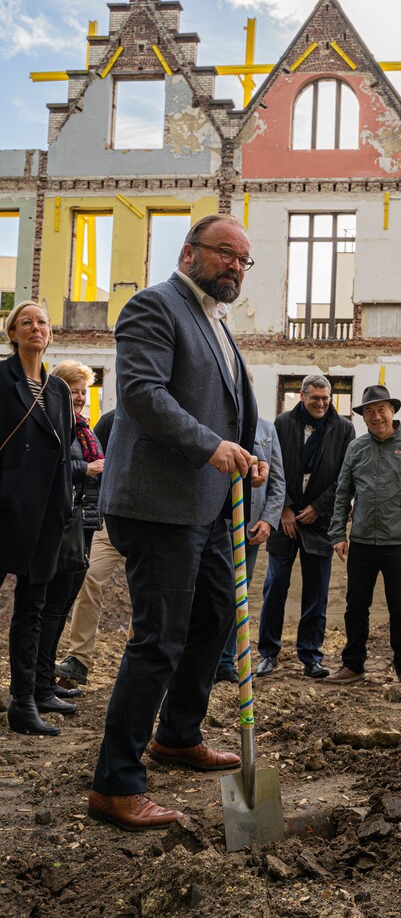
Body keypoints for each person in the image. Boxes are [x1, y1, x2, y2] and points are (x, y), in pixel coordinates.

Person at [88, 213, 260, 832]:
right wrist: (210, 445)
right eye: (225, 254)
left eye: (243, 260)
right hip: (157, 505)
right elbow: (141, 393)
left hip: (208, 505)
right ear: (189, 252)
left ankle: (178, 733)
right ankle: (115, 783)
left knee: (215, 615)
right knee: (159, 640)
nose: (234, 266)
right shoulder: (154, 306)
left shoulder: (216, 323)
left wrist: (243, 453)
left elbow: (229, 409)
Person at [325, 385, 401, 684]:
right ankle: (353, 665)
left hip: (399, 543)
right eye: (370, 411)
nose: (376, 416)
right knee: (355, 607)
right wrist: (338, 532)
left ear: (393, 411)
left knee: (400, 608)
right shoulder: (356, 448)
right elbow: (342, 494)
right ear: (363, 417)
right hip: (361, 541)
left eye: (381, 409)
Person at [0, 301, 73, 736]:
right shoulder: (0, 379)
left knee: (32, 610)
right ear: (12, 333)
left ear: (50, 334)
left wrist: (63, 504)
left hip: (45, 514)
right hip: (3, 510)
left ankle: (23, 703)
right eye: (25, 322)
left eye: (42, 322)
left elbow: (62, 455)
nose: (35, 328)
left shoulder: (60, 390)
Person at [256, 374, 355, 680]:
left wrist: (319, 508)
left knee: (317, 591)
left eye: (326, 399)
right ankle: (268, 653)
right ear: (302, 396)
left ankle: (311, 655)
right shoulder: (282, 424)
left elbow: (345, 476)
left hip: (320, 521)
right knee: (274, 587)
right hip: (283, 519)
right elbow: (271, 465)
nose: (321, 404)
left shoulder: (344, 428)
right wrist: (282, 507)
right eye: (315, 398)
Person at [33, 360, 105, 717]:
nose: (79, 397)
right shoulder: (53, 424)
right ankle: (38, 684)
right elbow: (49, 468)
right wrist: (87, 469)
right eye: (73, 390)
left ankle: (44, 680)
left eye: (83, 391)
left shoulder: (82, 427)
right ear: (58, 390)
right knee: (51, 606)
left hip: (84, 522)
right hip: (63, 523)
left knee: (62, 606)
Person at [215, 414, 285, 684]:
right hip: (213, 525)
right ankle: (203, 660)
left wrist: (268, 519)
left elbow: (277, 479)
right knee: (212, 593)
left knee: (238, 596)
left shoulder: (266, 428)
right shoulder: (212, 422)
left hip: (250, 527)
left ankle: (225, 662)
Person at [56, 409, 120, 690]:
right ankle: (78, 660)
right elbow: (95, 462)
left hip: (150, 525)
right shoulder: (111, 421)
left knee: (148, 592)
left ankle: (139, 663)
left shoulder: (171, 424)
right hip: (110, 520)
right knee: (89, 579)